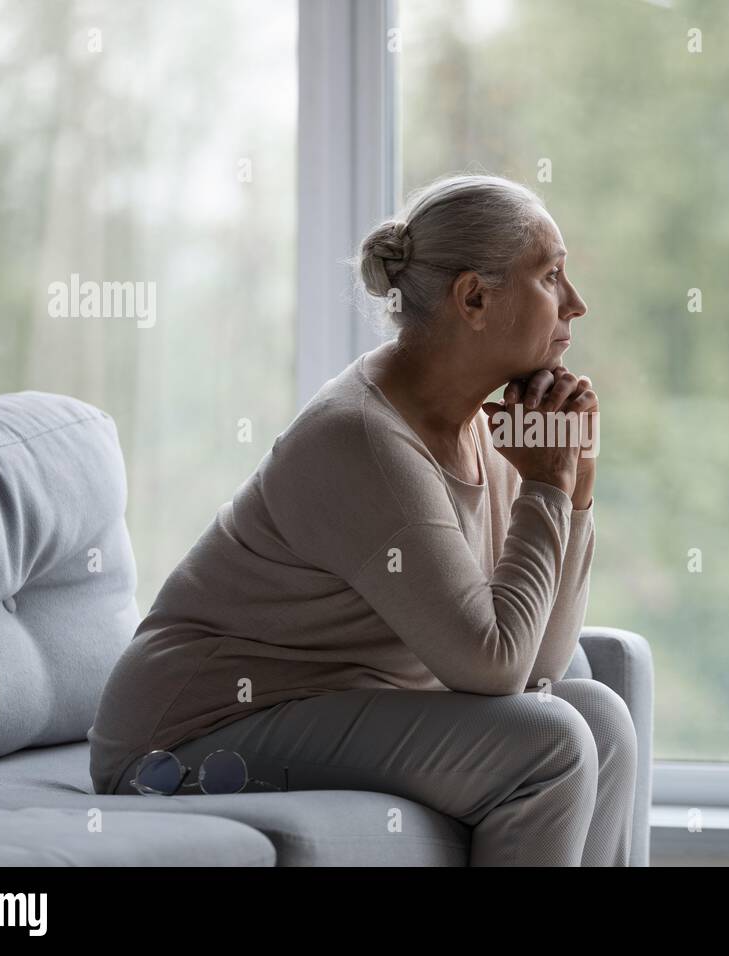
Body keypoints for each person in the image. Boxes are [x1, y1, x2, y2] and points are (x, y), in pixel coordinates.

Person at [86, 172, 638, 866]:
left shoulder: (488, 426)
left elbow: (538, 671)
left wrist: (574, 486)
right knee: (550, 743)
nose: (576, 304)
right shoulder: (363, 440)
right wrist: (546, 489)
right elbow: (495, 668)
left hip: (326, 705)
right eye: (552, 275)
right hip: (189, 735)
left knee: (599, 720)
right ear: (473, 297)